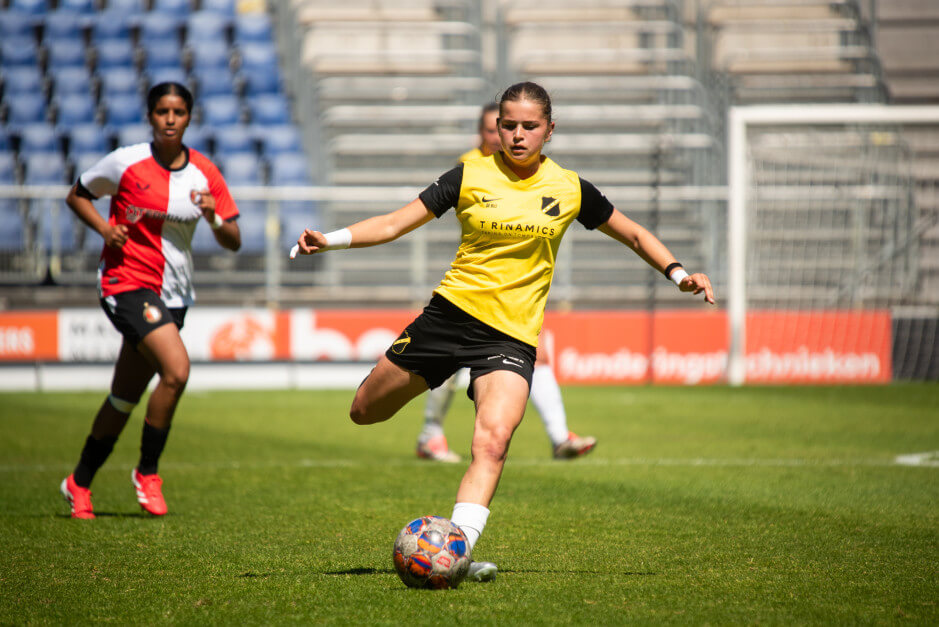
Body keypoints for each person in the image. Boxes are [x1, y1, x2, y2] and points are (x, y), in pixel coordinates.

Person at [292, 81, 714, 581]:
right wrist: (331, 240)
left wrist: (678, 273)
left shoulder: (570, 188)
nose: (516, 134)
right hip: (447, 318)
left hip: (509, 338)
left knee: (492, 442)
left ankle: (452, 555)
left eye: (528, 126)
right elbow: (394, 224)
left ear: (549, 130)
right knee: (364, 411)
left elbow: (635, 233)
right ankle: (448, 541)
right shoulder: (468, 175)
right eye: (507, 125)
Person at [59, 82, 241, 519]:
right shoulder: (125, 162)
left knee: (124, 396)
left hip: (174, 293)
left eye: (178, 111)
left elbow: (233, 238)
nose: (170, 119)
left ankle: (78, 482)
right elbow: (77, 195)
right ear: (150, 116)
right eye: (162, 111)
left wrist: (213, 214)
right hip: (126, 283)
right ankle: (147, 472)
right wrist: (105, 230)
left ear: (189, 117)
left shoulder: (204, 173)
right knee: (177, 371)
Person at [417, 102, 596, 463]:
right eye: (494, 130)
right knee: (447, 367)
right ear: (488, 132)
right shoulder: (468, 169)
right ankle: (430, 433)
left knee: (539, 354)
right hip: (472, 286)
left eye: (524, 127)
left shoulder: (536, 172)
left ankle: (560, 437)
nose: (509, 137)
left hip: (518, 291)